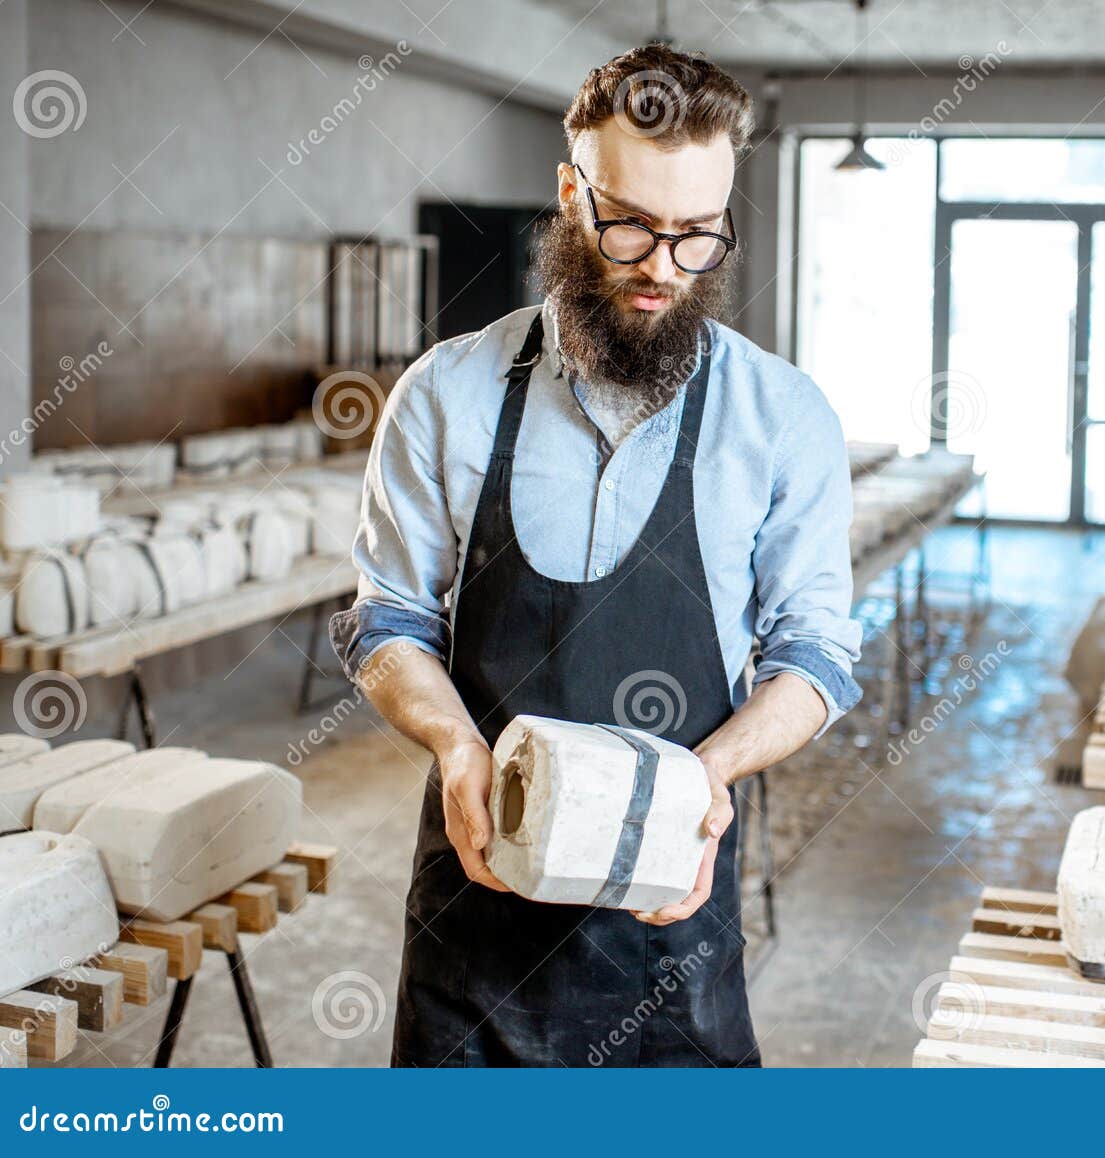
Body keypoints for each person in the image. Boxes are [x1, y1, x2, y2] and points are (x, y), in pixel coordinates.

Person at [331, 43, 861, 1067]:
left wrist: (710, 779)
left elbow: (818, 655)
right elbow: (388, 619)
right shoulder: (446, 396)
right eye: (629, 226)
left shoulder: (782, 418)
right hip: (480, 899)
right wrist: (453, 745)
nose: (664, 267)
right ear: (571, 195)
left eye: (698, 236)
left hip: (672, 909)